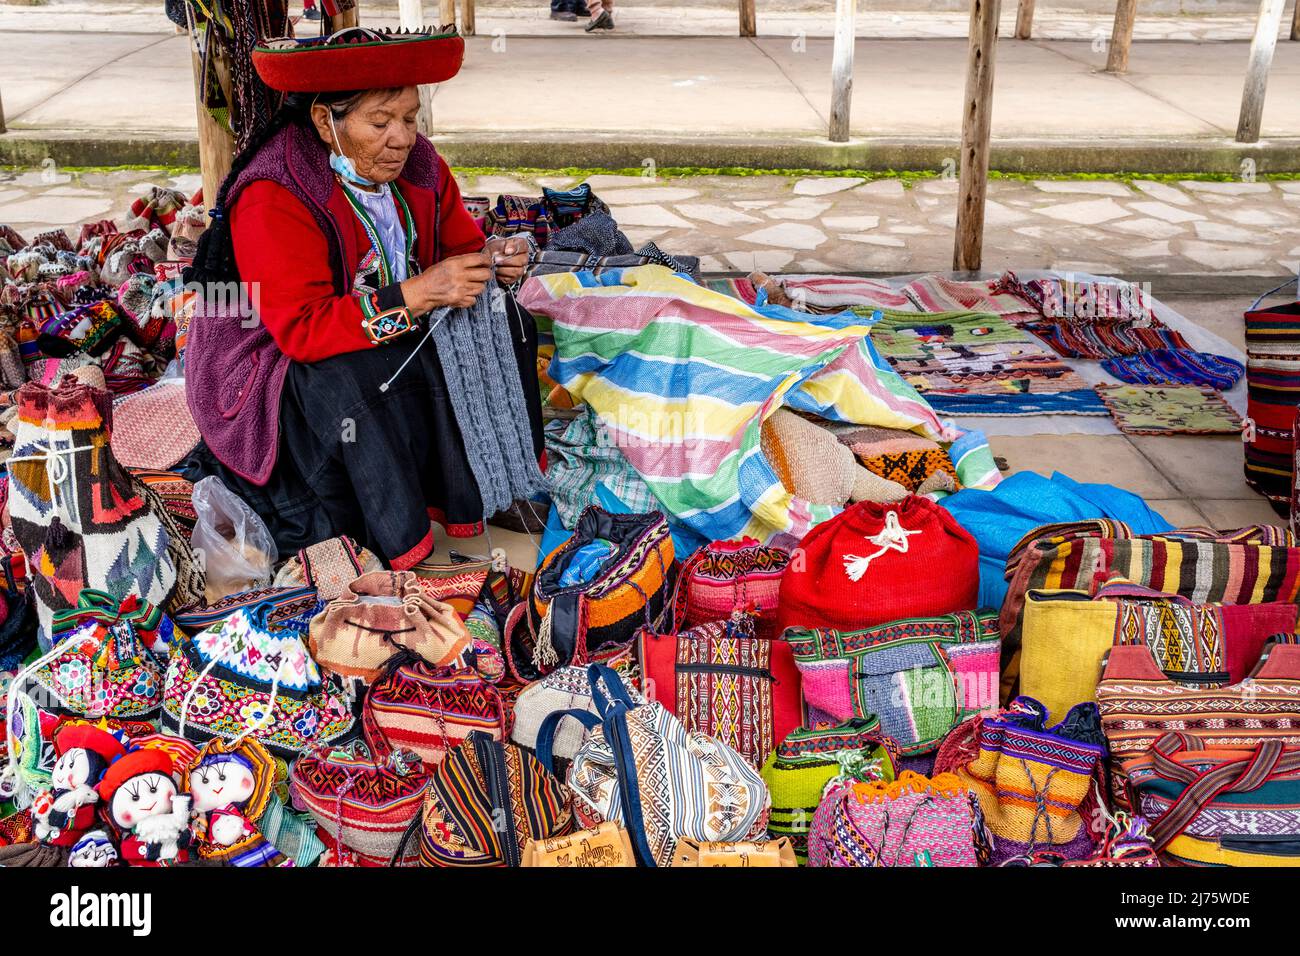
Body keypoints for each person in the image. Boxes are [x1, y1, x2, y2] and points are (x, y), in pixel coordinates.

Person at [184, 28, 544, 571]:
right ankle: (391, 526)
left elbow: (462, 246)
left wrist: (493, 259)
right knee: (353, 381)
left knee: (505, 320)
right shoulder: (274, 192)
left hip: (370, 320)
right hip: (268, 362)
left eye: (410, 118)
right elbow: (302, 331)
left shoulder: (418, 164)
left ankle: (489, 482)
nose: (402, 137)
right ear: (327, 121)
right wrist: (419, 293)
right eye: (381, 123)